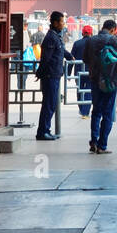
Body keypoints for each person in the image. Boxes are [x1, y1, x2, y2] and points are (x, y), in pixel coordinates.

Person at [84, 19, 117, 153]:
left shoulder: (91, 40)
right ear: (113, 29)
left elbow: (85, 58)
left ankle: (93, 141)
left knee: (96, 111)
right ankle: (102, 145)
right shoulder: (113, 40)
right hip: (109, 81)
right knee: (107, 113)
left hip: (94, 79)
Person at [35, 11, 66, 141]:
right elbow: (46, 58)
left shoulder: (56, 36)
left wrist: (69, 56)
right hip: (50, 75)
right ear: (54, 23)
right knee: (49, 104)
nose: (63, 24)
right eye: (61, 22)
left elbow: (61, 50)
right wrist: (40, 73)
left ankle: (46, 130)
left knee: (52, 103)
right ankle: (43, 132)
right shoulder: (51, 37)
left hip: (55, 74)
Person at [71, 23, 93, 118]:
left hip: (78, 71)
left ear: (83, 33)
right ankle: (85, 111)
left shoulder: (77, 43)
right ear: (91, 33)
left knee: (79, 90)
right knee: (88, 90)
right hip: (91, 71)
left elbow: (71, 58)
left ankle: (81, 108)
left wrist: (68, 72)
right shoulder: (94, 43)